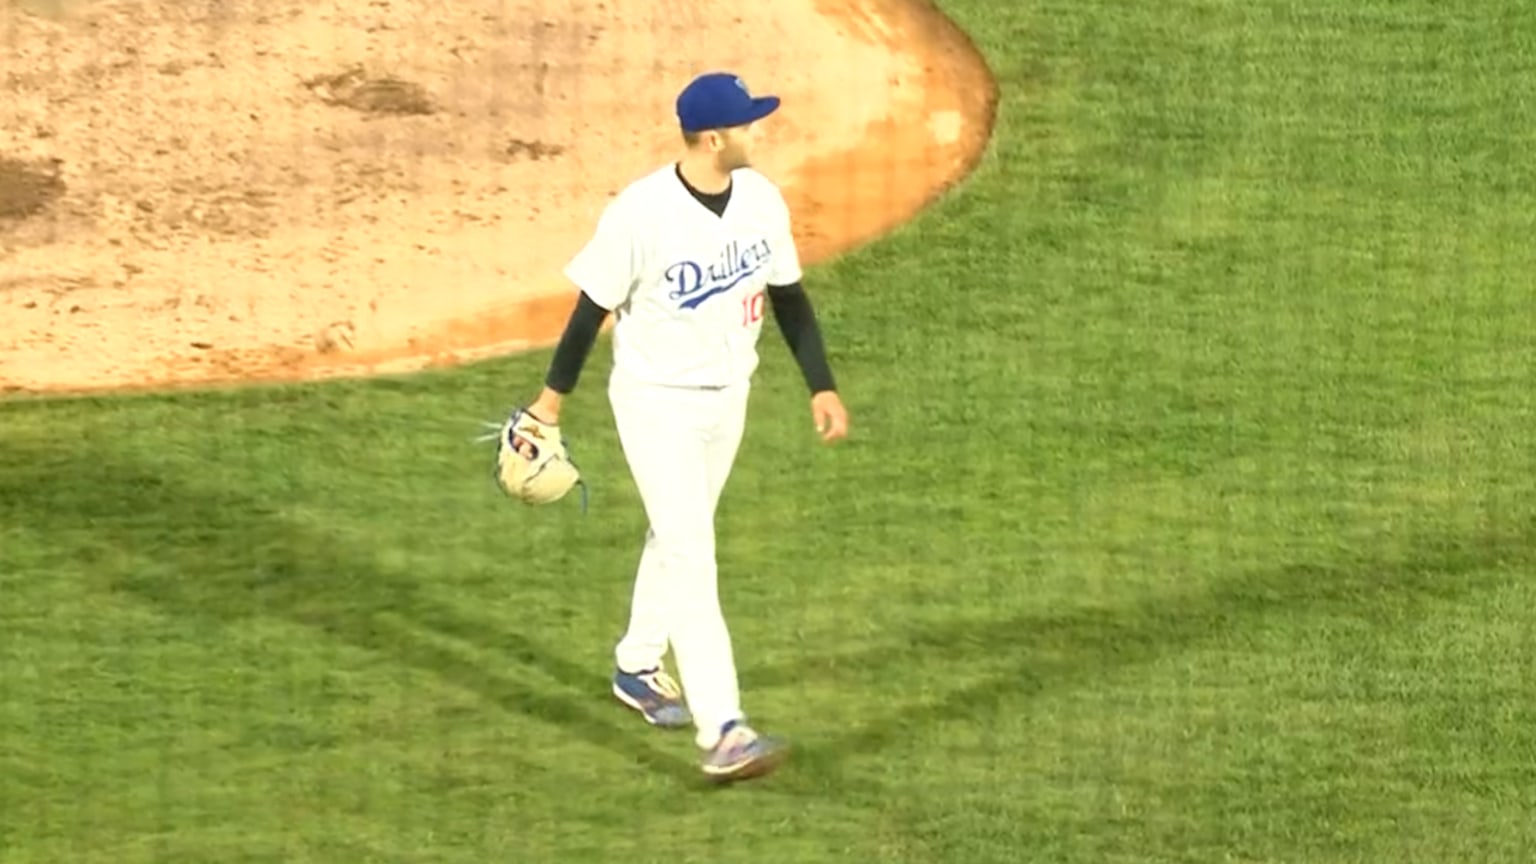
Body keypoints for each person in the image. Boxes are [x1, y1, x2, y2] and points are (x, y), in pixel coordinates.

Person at [514, 71, 849, 782]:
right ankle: (722, 728)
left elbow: (788, 297)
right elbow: (588, 310)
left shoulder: (760, 200)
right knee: (694, 557)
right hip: (656, 405)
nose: (761, 133)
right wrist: (550, 404)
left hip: (730, 398)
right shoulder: (641, 215)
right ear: (714, 137)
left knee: (678, 534)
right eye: (750, 125)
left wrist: (821, 384)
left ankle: (637, 664)